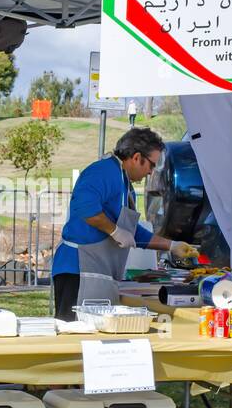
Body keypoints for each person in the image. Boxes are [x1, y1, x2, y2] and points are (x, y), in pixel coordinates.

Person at [51, 127, 199, 321]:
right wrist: (114, 231)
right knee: (74, 335)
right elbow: (85, 208)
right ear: (137, 157)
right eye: (151, 165)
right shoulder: (103, 171)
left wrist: (172, 246)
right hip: (77, 270)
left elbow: (132, 233)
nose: (151, 172)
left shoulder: (124, 183)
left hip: (98, 273)